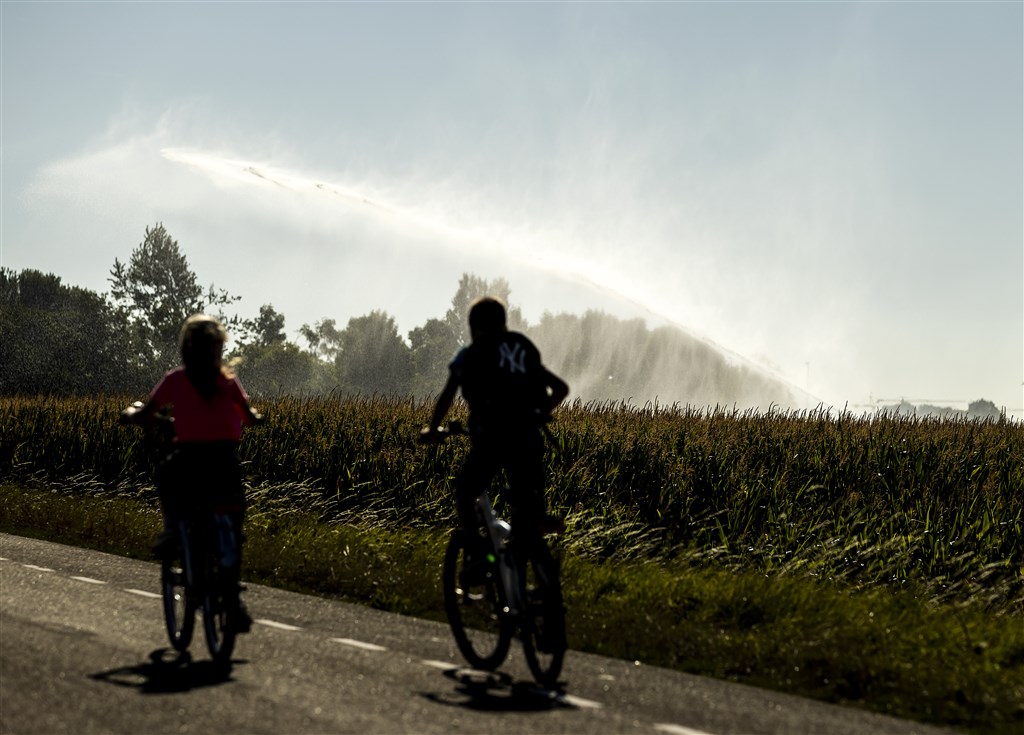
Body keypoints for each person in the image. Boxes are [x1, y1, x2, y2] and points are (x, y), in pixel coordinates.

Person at [120, 314, 262, 632]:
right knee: (234, 513)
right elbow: (249, 416)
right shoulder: (227, 382)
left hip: (191, 457)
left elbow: (148, 411)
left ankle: (172, 531)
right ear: (218, 350)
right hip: (225, 459)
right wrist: (255, 418)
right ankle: (232, 597)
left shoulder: (177, 380)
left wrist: (132, 414)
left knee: (167, 475)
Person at [420, 296, 570, 580]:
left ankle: (477, 555)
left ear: (473, 327)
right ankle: (532, 558)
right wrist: (538, 415)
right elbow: (561, 388)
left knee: (465, 491)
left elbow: (448, 393)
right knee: (526, 509)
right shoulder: (522, 350)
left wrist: (432, 428)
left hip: (491, 441)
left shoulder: (470, 354)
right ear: (504, 323)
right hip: (529, 439)